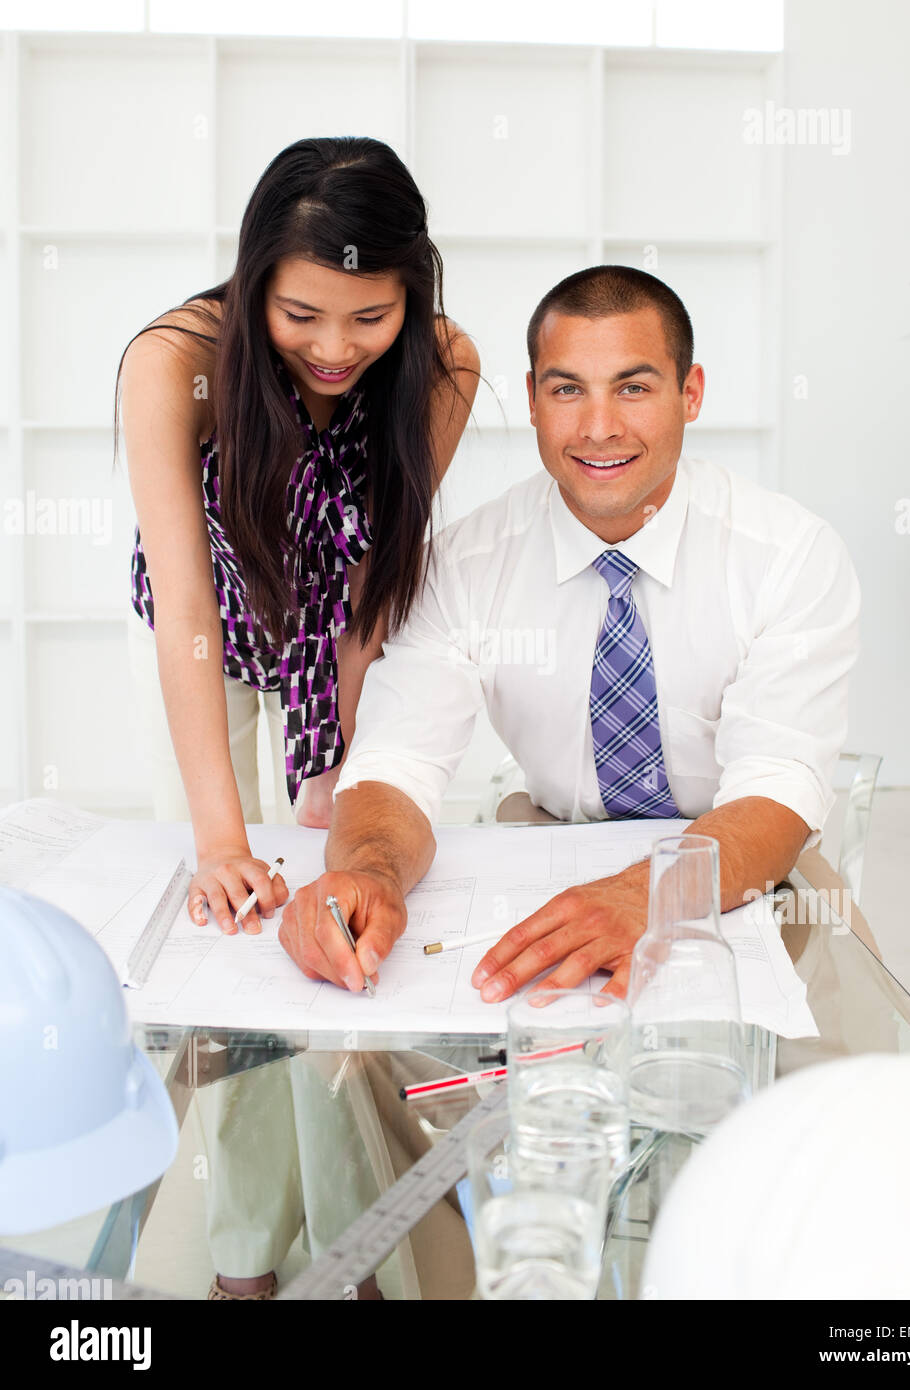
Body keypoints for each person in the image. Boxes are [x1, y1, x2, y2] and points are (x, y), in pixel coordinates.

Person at [276, 264, 861, 1005]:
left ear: (691, 393)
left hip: (758, 870)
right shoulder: (463, 563)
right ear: (531, 401)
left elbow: (777, 789)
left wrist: (650, 894)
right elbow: (398, 760)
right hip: (556, 837)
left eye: (634, 387)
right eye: (566, 389)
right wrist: (369, 870)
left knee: (825, 1088)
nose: (598, 427)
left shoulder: (789, 555)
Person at [116, 136, 480, 1299]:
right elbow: (184, 606)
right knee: (229, 947)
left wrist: (342, 760)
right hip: (204, 643)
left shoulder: (444, 365)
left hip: (340, 634)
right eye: (301, 314)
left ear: (412, 291)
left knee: (338, 942)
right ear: (256, 276)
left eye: (368, 317)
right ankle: (241, 1258)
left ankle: (351, 1247)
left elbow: (374, 572)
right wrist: (224, 840)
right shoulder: (173, 363)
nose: (334, 350)